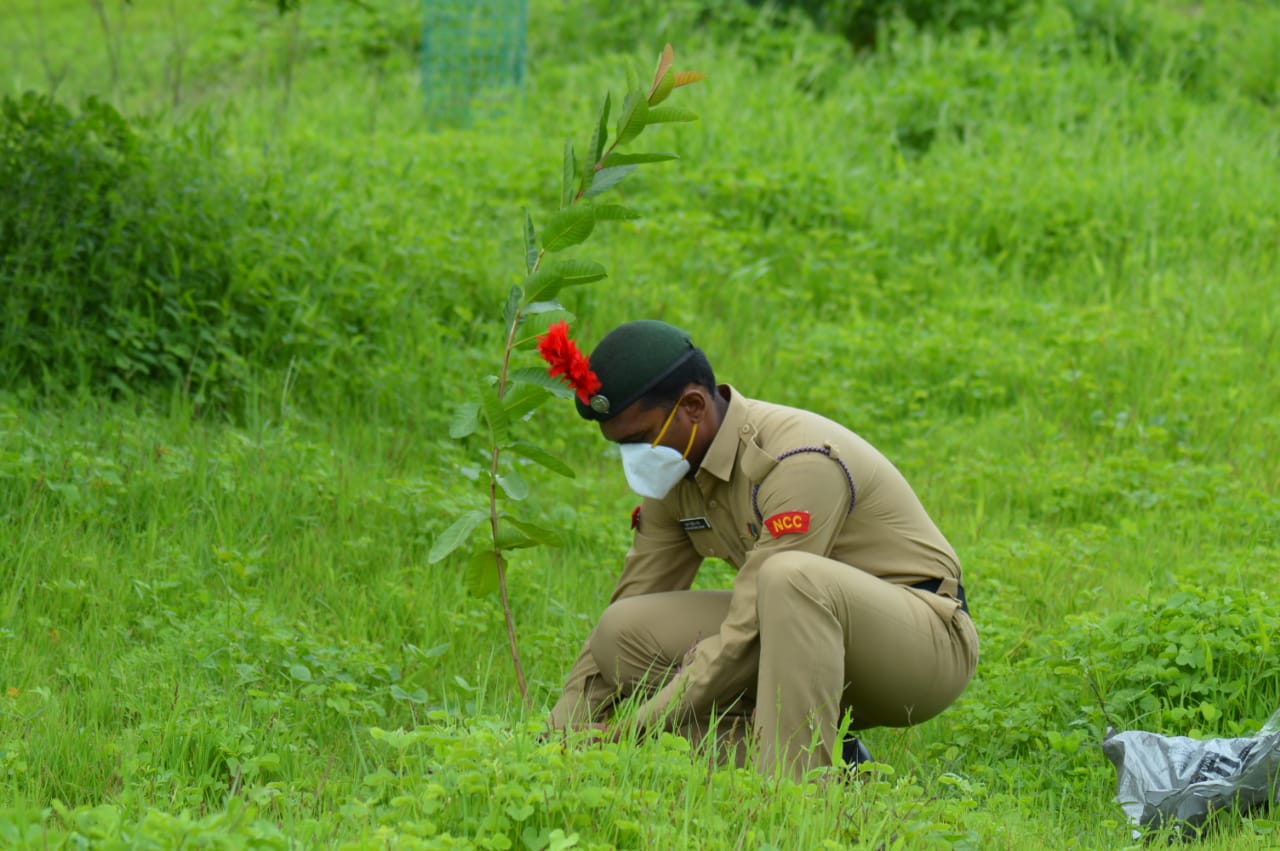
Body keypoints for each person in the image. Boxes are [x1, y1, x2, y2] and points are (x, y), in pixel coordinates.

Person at [537, 318, 978, 780]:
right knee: (621, 631)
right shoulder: (675, 472)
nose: (634, 458)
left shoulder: (797, 460)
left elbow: (745, 635)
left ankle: (796, 795)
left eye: (639, 439)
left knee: (789, 578)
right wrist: (553, 740)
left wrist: (631, 729)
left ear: (692, 405)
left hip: (921, 647)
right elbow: (633, 601)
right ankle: (836, 763)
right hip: (800, 634)